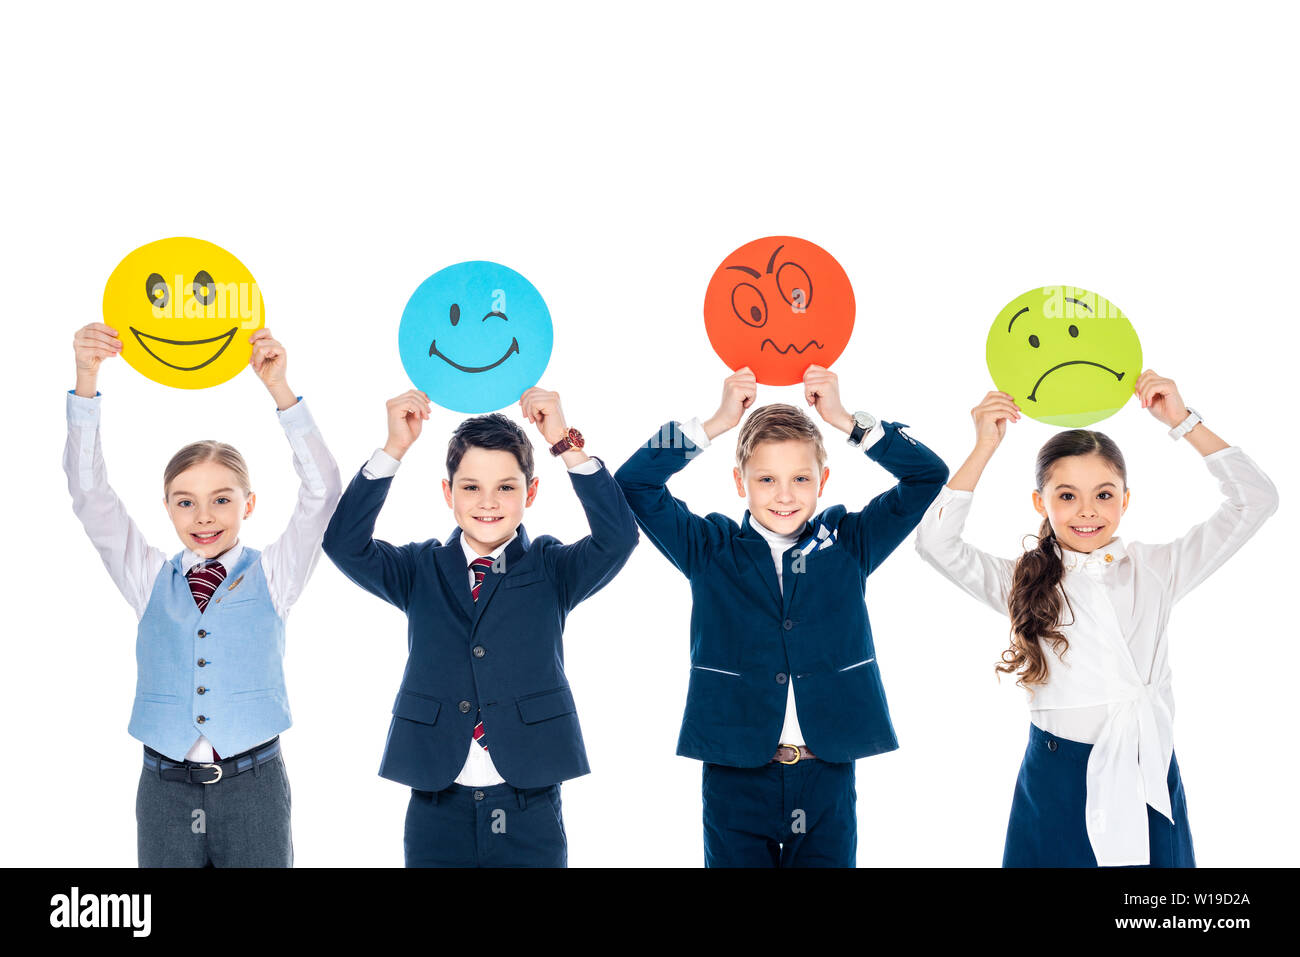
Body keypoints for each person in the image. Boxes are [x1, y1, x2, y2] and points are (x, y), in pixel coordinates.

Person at [914, 372, 1279, 866]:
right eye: (1066, 495)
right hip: (1058, 775)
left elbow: (1256, 500)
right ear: (1040, 503)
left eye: (1104, 494)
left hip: (1146, 762)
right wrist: (984, 447)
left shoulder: (1158, 570)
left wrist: (1181, 420)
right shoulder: (1017, 580)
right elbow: (935, 543)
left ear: (1125, 500)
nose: (1087, 510)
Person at [614, 365, 948, 866]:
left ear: (823, 480)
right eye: (766, 479)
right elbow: (634, 483)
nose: (785, 494)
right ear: (739, 481)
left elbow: (928, 475)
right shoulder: (709, 549)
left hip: (826, 772)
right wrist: (714, 423)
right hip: (735, 773)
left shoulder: (850, 544)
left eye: (800, 478)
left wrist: (847, 421)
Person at [322, 386, 639, 867]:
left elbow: (618, 538)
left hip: (527, 798)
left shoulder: (552, 568)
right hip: (436, 798)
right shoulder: (419, 569)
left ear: (530, 492)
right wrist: (394, 449)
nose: (487, 502)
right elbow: (344, 544)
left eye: (506, 487)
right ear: (448, 492)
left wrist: (561, 439)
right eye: (470, 487)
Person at [64, 321, 342, 867]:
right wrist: (86, 381)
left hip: (254, 788)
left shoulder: (276, 576)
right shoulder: (147, 577)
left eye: (221, 499)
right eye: (185, 502)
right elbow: (89, 492)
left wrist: (280, 390)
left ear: (249, 504)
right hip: (165, 787)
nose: (204, 516)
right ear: (167, 507)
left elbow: (323, 491)